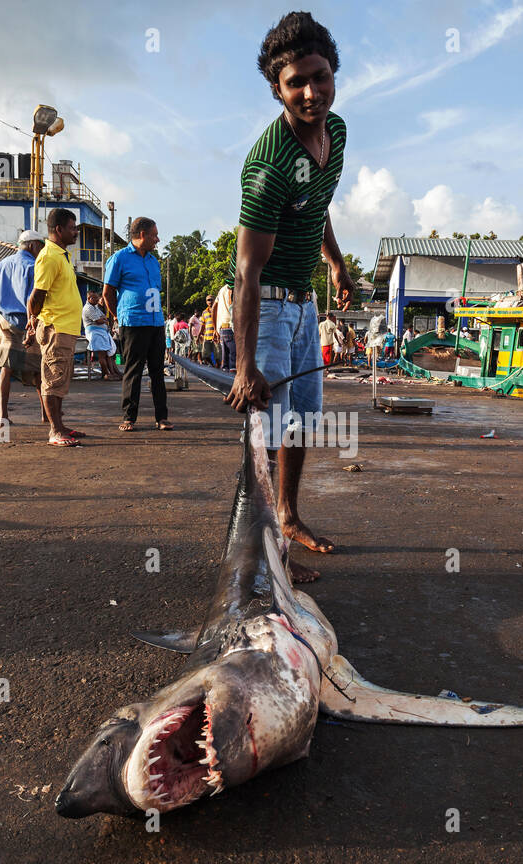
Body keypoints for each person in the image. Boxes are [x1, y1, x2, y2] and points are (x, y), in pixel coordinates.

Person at [226, 11, 354, 584]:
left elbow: (318, 203)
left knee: (300, 425)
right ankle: (260, 562)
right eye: (296, 83)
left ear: (333, 72)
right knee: (264, 433)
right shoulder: (269, 163)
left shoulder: (338, 134)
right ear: (276, 90)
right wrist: (245, 364)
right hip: (269, 306)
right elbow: (246, 271)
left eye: (319, 77)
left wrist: (336, 263)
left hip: (304, 305)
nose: (311, 93)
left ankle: (289, 516)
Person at [104, 217, 171, 431]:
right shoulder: (119, 259)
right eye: (154, 235)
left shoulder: (153, 261)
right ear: (142, 234)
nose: (157, 239)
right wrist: (118, 316)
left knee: (157, 371)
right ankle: (129, 418)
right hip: (133, 323)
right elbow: (108, 293)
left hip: (156, 322)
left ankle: (162, 417)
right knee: (133, 371)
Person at [25, 209, 85, 447]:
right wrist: (33, 319)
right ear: (58, 230)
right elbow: (36, 295)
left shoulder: (61, 255)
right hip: (56, 328)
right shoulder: (49, 255)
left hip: (65, 328)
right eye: (72, 228)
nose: (76, 232)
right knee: (52, 379)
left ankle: (60, 426)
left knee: (60, 380)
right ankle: (55, 431)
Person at [0, 229, 44, 425]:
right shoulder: (33, 266)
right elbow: (33, 300)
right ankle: (46, 413)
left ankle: (3, 414)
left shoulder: (3, 263)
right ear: (34, 245)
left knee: (6, 369)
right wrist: (34, 325)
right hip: (27, 323)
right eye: (40, 247)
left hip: (5, 320)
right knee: (38, 370)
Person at [83, 290, 121, 381]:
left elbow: (104, 318)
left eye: (97, 298)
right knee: (102, 355)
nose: (97, 300)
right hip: (95, 332)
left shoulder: (95, 307)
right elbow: (99, 321)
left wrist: (103, 319)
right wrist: (103, 320)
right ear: (89, 298)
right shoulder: (88, 308)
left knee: (109, 354)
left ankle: (114, 373)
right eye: (95, 298)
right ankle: (107, 374)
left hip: (103, 332)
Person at [214, 283, 235, 370]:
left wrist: (215, 329)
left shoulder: (221, 290)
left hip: (222, 329)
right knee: (234, 363)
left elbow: (213, 309)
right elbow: (232, 307)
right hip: (231, 327)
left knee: (225, 362)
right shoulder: (232, 288)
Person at [199, 294, 218, 365]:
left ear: (214, 300)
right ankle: (213, 365)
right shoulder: (204, 312)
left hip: (216, 336)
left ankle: (217, 369)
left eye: (211, 299)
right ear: (206, 302)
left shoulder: (218, 309)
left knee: (218, 356)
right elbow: (202, 325)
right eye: (208, 300)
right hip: (207, 336)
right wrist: (199, 335)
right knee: (205, 355)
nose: (210, 301)